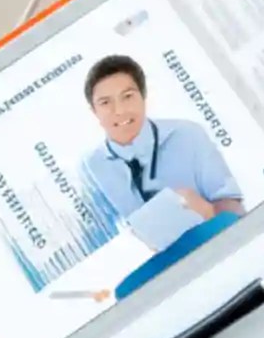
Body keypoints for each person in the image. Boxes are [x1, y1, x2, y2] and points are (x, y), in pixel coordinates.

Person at [78, 54, 245, 224]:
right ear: (94, 111)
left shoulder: (188, 135)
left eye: (127, 96)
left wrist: (207, 210)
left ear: (143, 97)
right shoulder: (90, 170)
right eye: (105, 103)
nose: (119, 110)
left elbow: (236, 209)